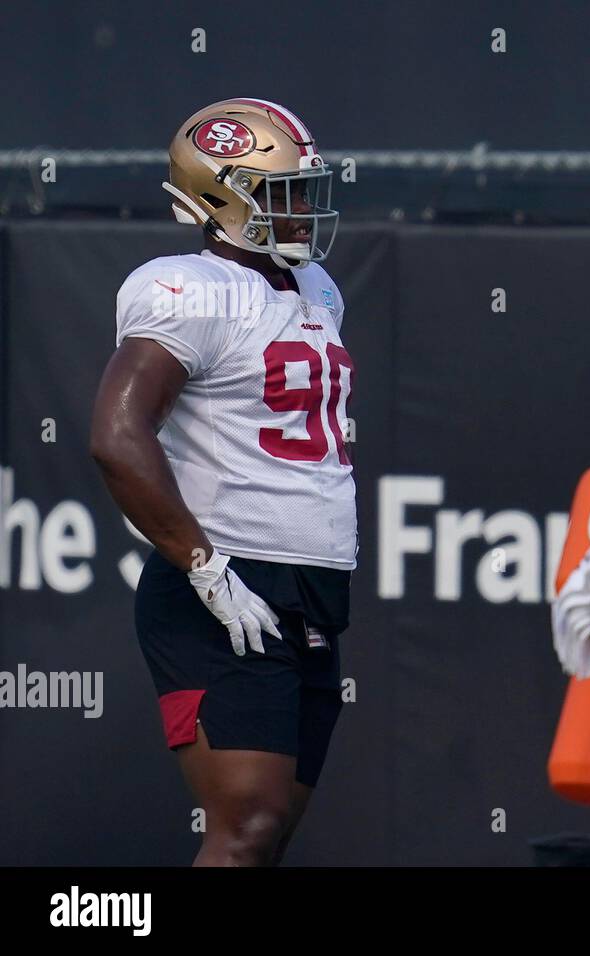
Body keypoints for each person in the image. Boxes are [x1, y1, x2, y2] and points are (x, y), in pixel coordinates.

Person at [90, 98, 356, 866]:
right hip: (225, 586)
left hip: (309, 590)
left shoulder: (318, 290)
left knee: (264, 840)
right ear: (219, 196)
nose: (303, 208)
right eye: (284, 191)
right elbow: (116, 436)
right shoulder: (187, 286)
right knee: (243, 832)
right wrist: (204, 566)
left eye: (307, 188)